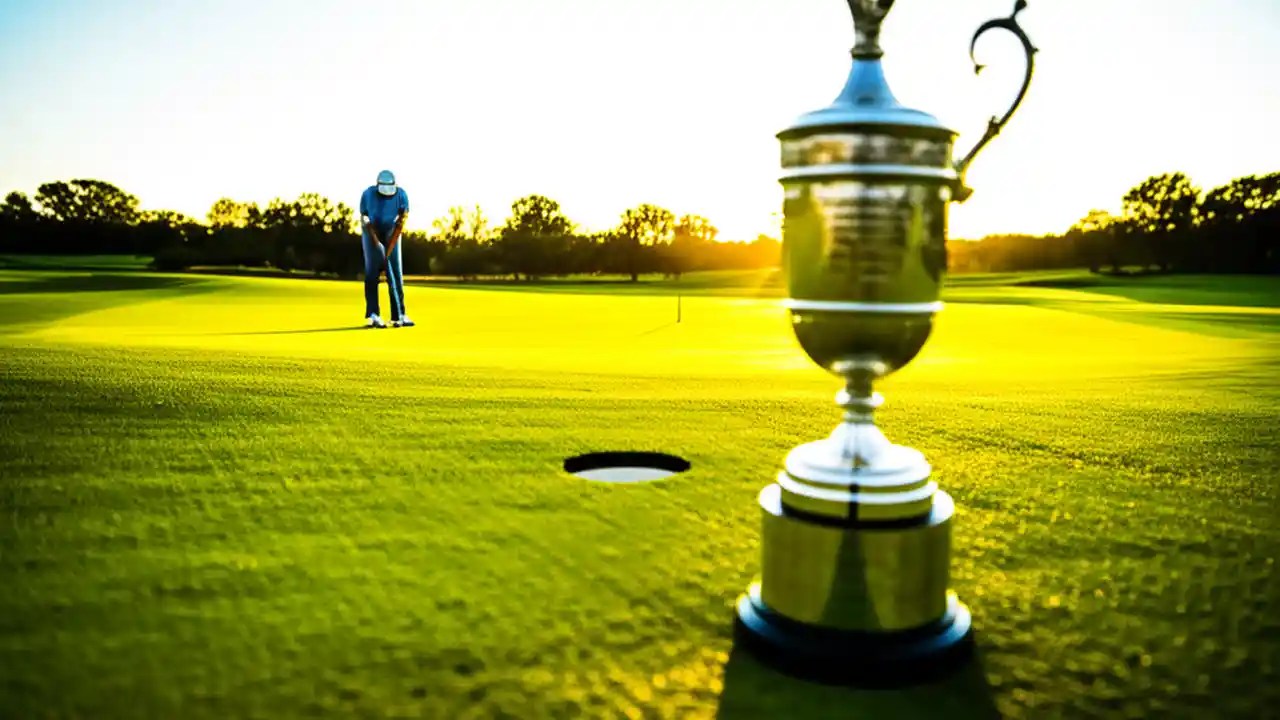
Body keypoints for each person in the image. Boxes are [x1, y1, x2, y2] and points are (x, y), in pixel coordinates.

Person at [359, 170, 414, 328]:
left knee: (395, 271)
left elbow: (401, 223)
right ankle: (373, 314)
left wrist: (389, 251)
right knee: (372, 271)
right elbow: (366, 221)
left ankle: (399, 315)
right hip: (371, 231)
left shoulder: (402, 195)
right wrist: (378, 246)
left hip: (391, 229)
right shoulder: (368, 195)